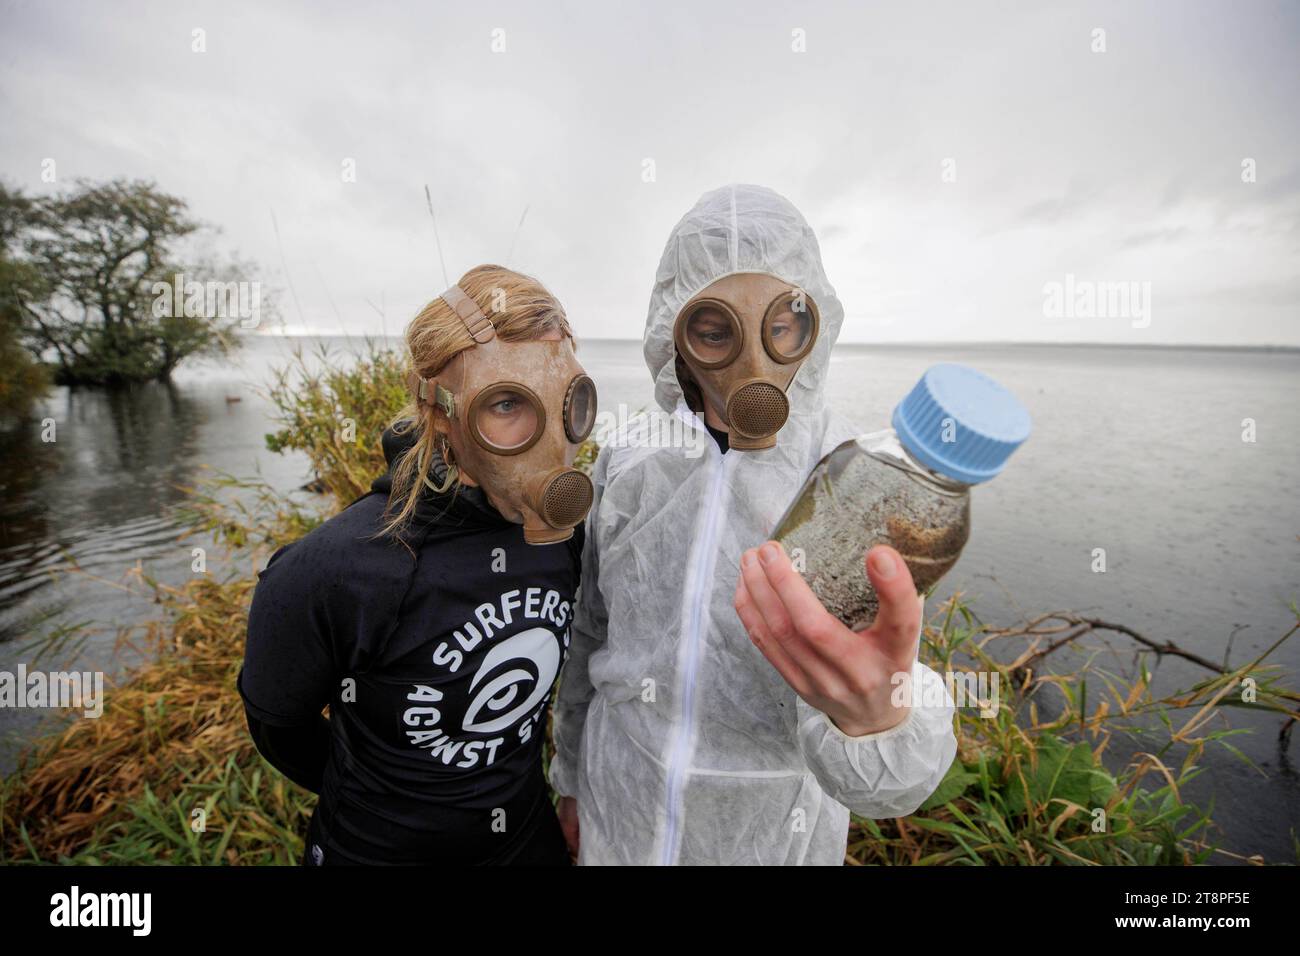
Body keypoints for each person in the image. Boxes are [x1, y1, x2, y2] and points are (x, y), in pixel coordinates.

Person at [550, 184, 958, 865]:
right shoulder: (629, 462)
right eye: (715, 331)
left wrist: (879, 720)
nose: (751, 361)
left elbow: (893, 744)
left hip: (769, 835)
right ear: (672, 333)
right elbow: (593, 635)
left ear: (813, 324)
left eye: (781, 325)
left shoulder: (851, 480)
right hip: (620, 807)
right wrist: (571, 784)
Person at [237, 264, 597, 865]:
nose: (551, 441)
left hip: (523, 840)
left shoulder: (565, 538)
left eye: (568, 401)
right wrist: (388, 803)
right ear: (438, 414)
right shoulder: (336, 569)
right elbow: (280, 724)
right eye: (506, 403)